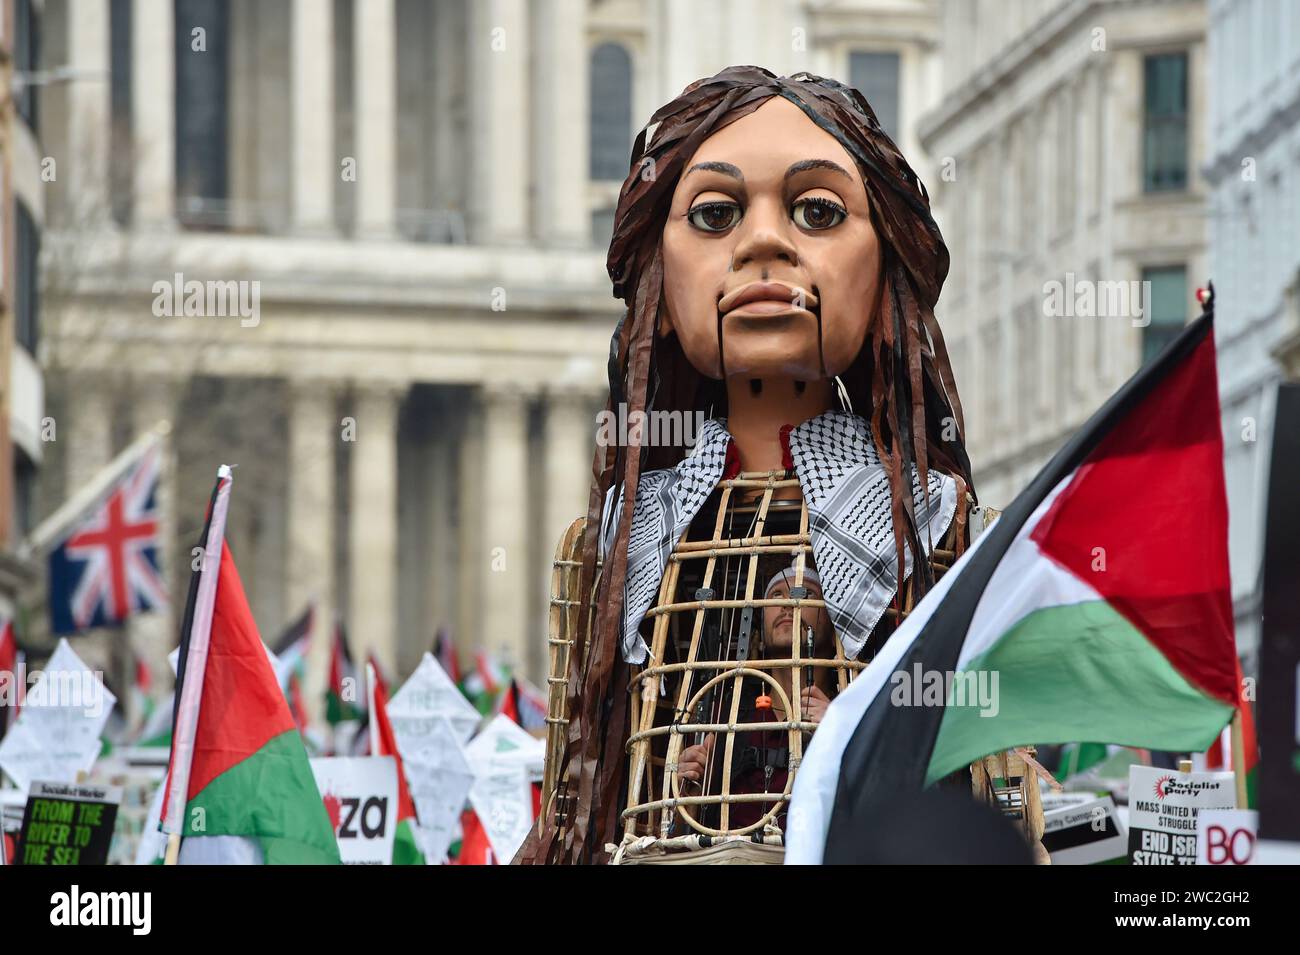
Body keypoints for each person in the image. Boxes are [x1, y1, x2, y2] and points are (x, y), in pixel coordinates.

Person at [524, 66, 974, 865]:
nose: (764, 243)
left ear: (884, 269)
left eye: (817, 211)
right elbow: (594, 777)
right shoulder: (620, 541)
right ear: (661, 281)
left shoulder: (935, 522)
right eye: (715, 215)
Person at [677, 565, 837, 830]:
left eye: (805, 593)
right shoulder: (728, 715)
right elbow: (691, 820)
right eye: (775, 596)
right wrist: (690, 789)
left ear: (834, 633)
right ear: (760, 634)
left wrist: (840, 735)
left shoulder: (850, 711)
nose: (788, 603)